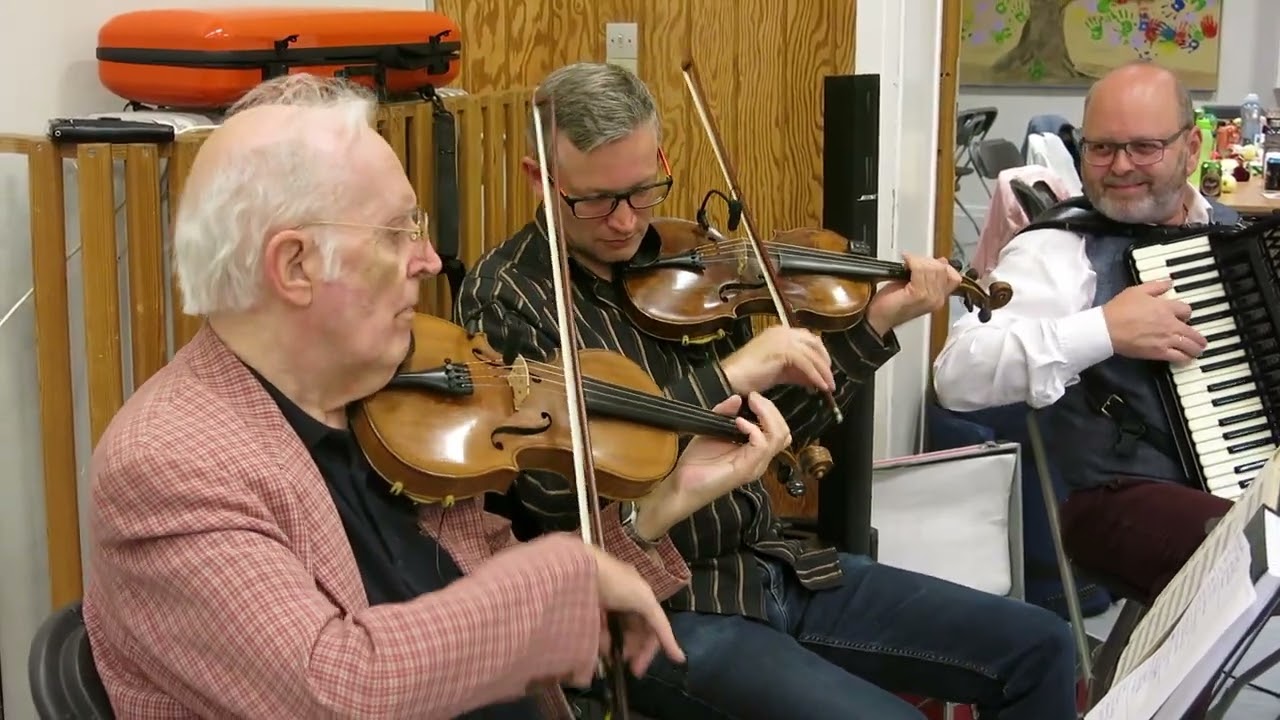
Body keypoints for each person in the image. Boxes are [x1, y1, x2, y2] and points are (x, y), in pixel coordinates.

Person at [81, 73, 795, 720]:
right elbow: (340, 690)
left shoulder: (383, 400)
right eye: (395, 234)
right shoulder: (170, 462)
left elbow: (486, 616)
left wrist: (659, 504)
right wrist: (560, 576)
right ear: (294, 266)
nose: (427, 261)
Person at [455, 61, 1078, 720]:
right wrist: (725, 377)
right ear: (538, 179)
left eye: (643, 190)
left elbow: (773, 429)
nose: (625, 220)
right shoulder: (509, 297)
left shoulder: (686, 260)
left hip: (771, 564)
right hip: (667, 607)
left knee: (1041, 645)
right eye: (595, 200)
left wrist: (873, 324)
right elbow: (563, 496)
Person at [933, 61, 1242, 605]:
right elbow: (956, 376)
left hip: (1239, 477)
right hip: (1111, 497)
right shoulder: (1056, 248)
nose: (1120, 167)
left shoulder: (1234, 236)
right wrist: (1103, 329)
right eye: (1101, 148)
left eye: (1144, 147)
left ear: (1192, 147)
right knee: (1251, 548)